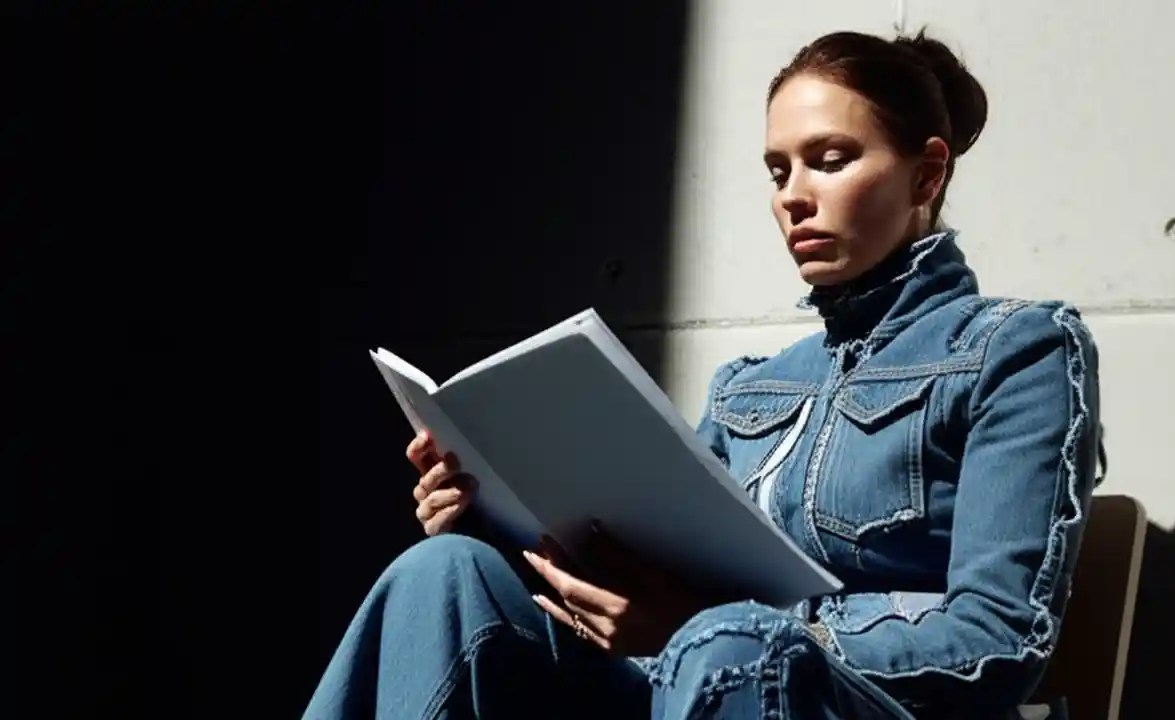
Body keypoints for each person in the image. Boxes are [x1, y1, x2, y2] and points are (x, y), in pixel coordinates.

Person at [304, 28, 1102, 720]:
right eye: (777, 170)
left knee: (731, 642)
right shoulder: (748, 388)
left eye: (829, 160)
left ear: (926, 176)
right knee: (445, 573)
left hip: (849, 702)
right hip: (690, 685)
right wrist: (489, 514)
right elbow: (644, 591)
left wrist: (726, 625)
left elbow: (1001, 640)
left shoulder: (1018, 350)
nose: (794, 196)